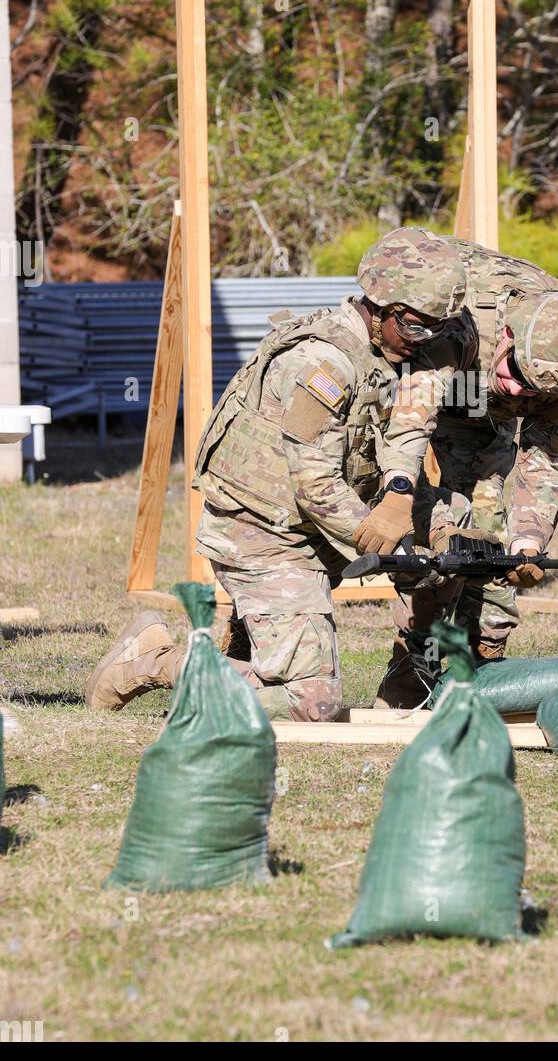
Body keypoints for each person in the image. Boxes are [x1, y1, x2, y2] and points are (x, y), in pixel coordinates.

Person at [86, 228, 470, 721]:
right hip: (262, 534)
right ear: (378, 306)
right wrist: (385, 543)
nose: (426, 341)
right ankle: (153, 660)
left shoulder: (392, 349)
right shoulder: (322, 365)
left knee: (456, 527)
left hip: (314, 521)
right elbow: (315, 485)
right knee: (315, 705)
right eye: (417, 327)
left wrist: (402, 498)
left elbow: (403, 433)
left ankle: (405, 683)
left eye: (437, 330)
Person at [376, 238, 558, 708]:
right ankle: (411, 671)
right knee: (435, 537)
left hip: (482, 417)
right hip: (415, 392)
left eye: (532, 391)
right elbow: (410, 420)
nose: (519, 390)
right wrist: (399, 493)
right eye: (516, 373)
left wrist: (529, 542)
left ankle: (480, 668)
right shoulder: (460, 323)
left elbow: (540, 469)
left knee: (488, 541)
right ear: (507, 336)